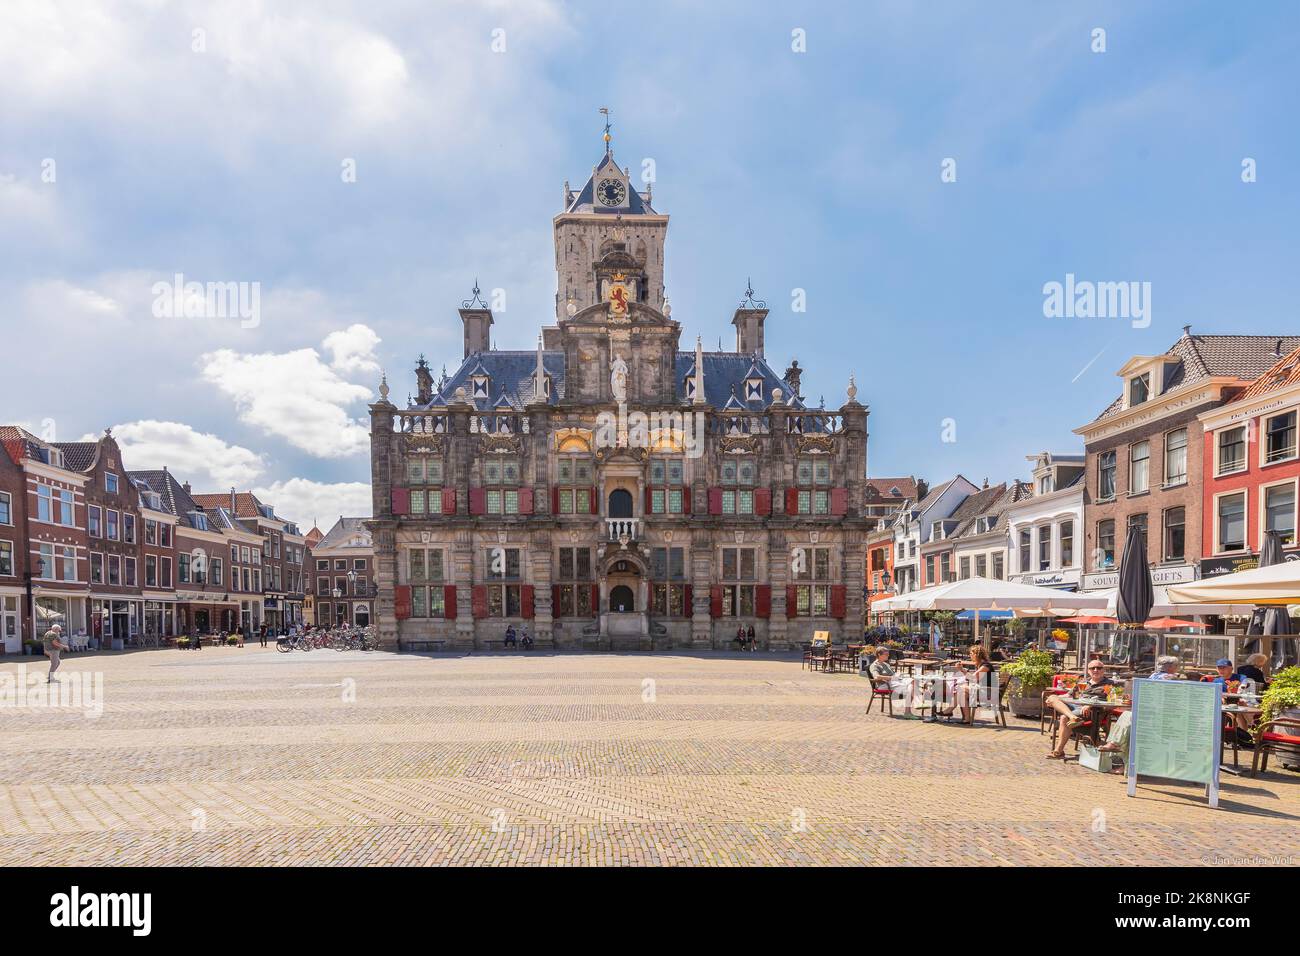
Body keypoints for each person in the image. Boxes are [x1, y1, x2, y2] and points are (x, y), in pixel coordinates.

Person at [1046, 660, 1116, 759]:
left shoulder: (1109, 684)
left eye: (1099, 668)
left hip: (1091, 711)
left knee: (1063, 718)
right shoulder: (1083, 681)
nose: (1095, 670)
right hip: (1075, 706)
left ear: (1103, 670)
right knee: (1052, 697)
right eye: (1092, 668)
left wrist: (1090, 704)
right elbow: (1069, 695)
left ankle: (1058, 751)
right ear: (1088, 671)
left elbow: (1111, 701)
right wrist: (1054, 700)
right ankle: (1073, 717)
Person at [944, 644, 995, 724]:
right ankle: (967, 719)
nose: (970, 656)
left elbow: (973, 678)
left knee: (961, 689)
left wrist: (962, 670)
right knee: (962, 693)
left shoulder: (985, 666)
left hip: (988, 692)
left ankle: (949, 710)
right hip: (982, 690)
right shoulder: (980, 665)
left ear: (977, 654)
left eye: (971, 654)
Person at [868, 647, 918, 719]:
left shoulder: (886, 664)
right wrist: (890, 678)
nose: (888, 656)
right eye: (886, 654)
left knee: (912, 681)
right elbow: (876, 677)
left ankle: (908, 711)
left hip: (893, 682)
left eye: (888, 654)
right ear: (879, 654)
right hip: (884, 684)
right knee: (910, 689)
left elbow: (893, 674)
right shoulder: (874, 665)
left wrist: (899, 675)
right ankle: (909, 711)